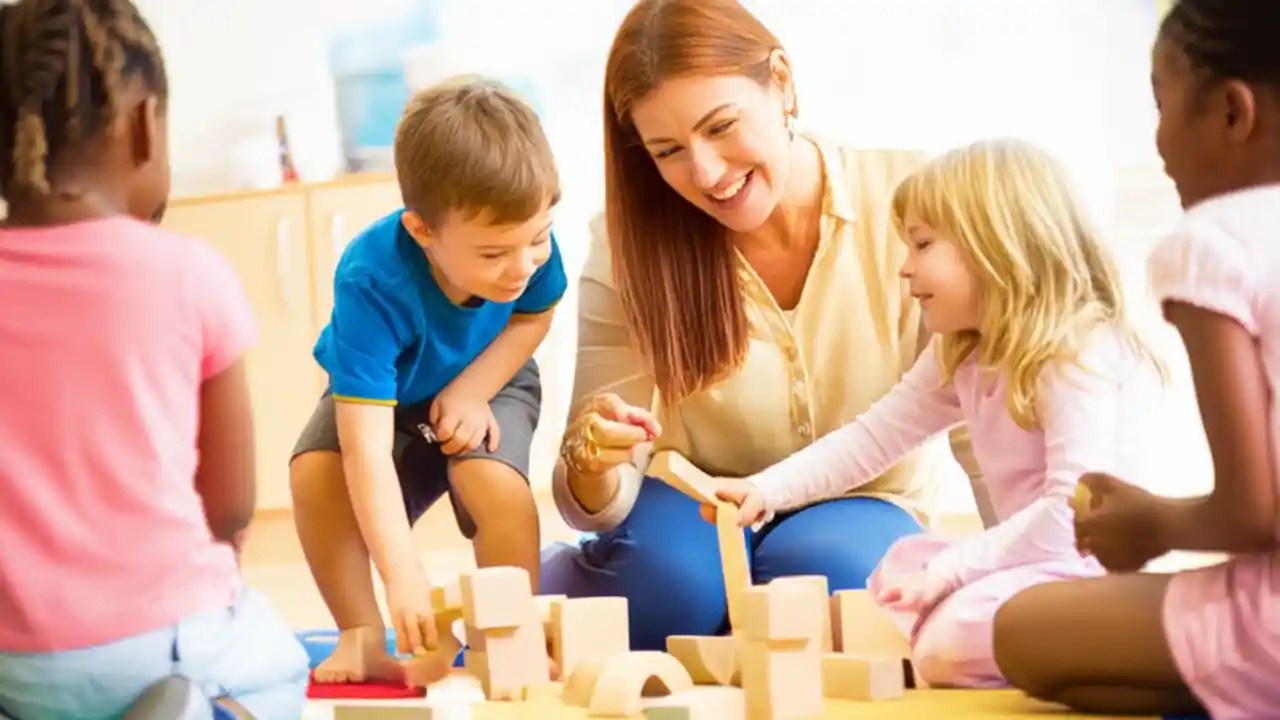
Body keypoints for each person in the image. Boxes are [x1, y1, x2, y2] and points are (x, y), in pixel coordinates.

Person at [540, 0, 982, 652]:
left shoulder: (914, 199)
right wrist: (590, 461)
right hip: (695, 501)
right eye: (668, 152)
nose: (708, 174)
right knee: (667, 587)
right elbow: (592, 497)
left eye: (721, 126)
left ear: (782, 82)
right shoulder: (627, 245)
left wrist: (1036, 577)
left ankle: (724, 619)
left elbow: (985, 415)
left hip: (864, 504)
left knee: (838, 585)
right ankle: (641, 597)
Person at [712, 138, 1165, 688]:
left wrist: (951, 570)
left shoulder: (1076, 351)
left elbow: (1073, 517)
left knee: (946, 638)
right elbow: (872, 438)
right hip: (1032, 566)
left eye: (922, 244)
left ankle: (1122, 643)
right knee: (893, 581)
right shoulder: (965, 353)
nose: (904, 269)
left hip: (1089, 565)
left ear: (996, 247)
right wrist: (764, 490)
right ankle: (1059, 655)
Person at [0, 1, 308, 719]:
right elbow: (228, 503)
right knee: (280, 670)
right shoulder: (188, 272)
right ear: (144, 126)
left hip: (15, 660)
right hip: (158, 643)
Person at [992, 2, 1280, 717]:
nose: (1156, 139)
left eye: (1161, 102)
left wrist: (1149, 523)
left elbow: (1253, 515)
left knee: (1021, 632)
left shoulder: (1217, 239)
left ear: (1232, 112)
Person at [289, 76, 568, 685]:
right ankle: (361, 637)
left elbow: (535, 313)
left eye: (538, 239)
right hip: (386, 392)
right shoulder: (370, 279)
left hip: (495, 369)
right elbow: (363, 449)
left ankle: (513, 635)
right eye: (494, 255)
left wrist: (472, 388)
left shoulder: (525, 233)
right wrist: (403, 574)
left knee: (490, 478)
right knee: (316, 471)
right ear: (423, 233)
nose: (522, 266)